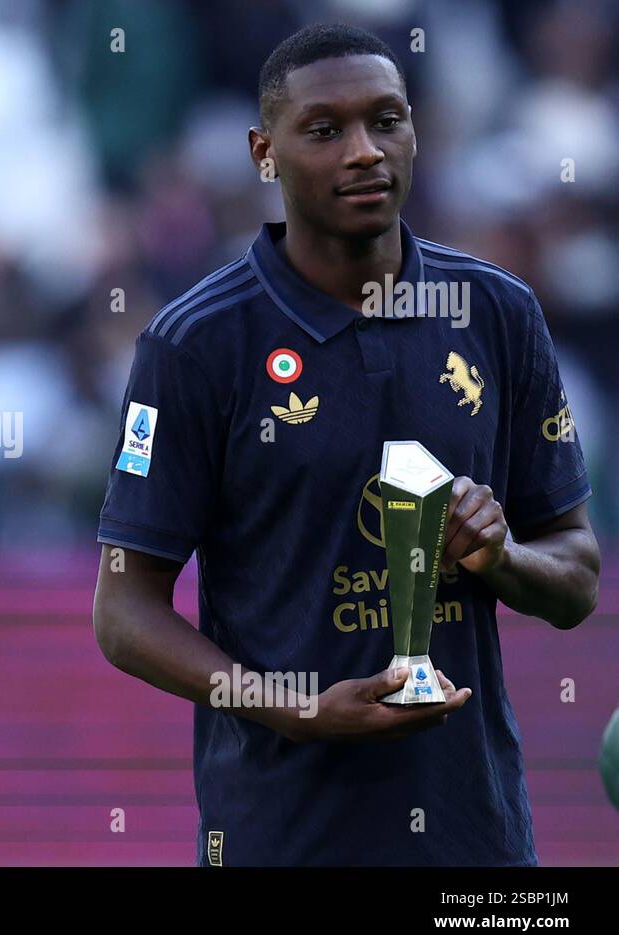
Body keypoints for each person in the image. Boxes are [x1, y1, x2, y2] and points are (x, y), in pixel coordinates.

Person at [92, 23, 601, 866]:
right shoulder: (195, 345)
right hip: (278, 836)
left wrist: (502, 555)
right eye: (325, 130)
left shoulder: (498, 313)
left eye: (386, 120)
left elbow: (576, 576)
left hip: (477, 843)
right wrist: (296, 707)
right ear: (265, 152)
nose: (365, 151)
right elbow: (124, 613)